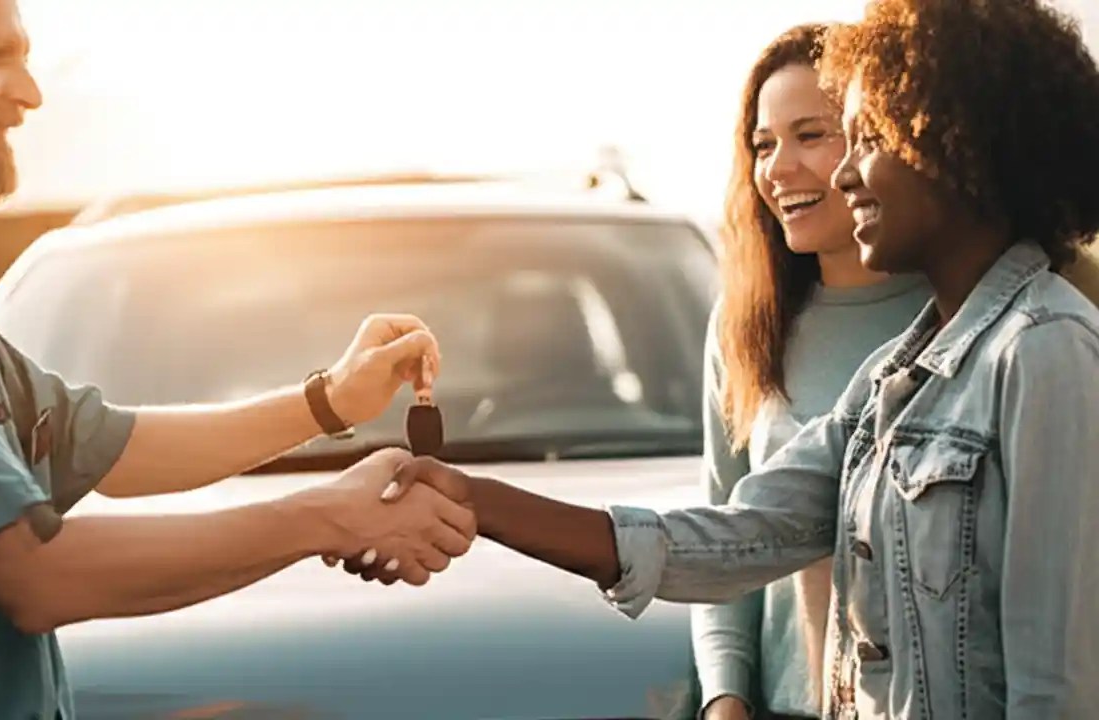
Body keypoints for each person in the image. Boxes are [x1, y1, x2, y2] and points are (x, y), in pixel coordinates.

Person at [347, 0, 1099, 717]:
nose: (840, 175)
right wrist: (478, 500)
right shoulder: (894, 378)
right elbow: (734, 536)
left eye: (864, 139)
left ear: (952, 144)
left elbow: (1058, 686)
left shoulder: (1045, 351)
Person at [0, 1, 474, 718]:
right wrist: (329, 516)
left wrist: (329, 402)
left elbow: (108, 446)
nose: (31, 94)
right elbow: (35, 575)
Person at [693, 22, 932, 720]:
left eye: (810, 134)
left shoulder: (956, 314)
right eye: (763, 144)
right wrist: (725, 700)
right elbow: (719, 536)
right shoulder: (744, 326)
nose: (778, 168)